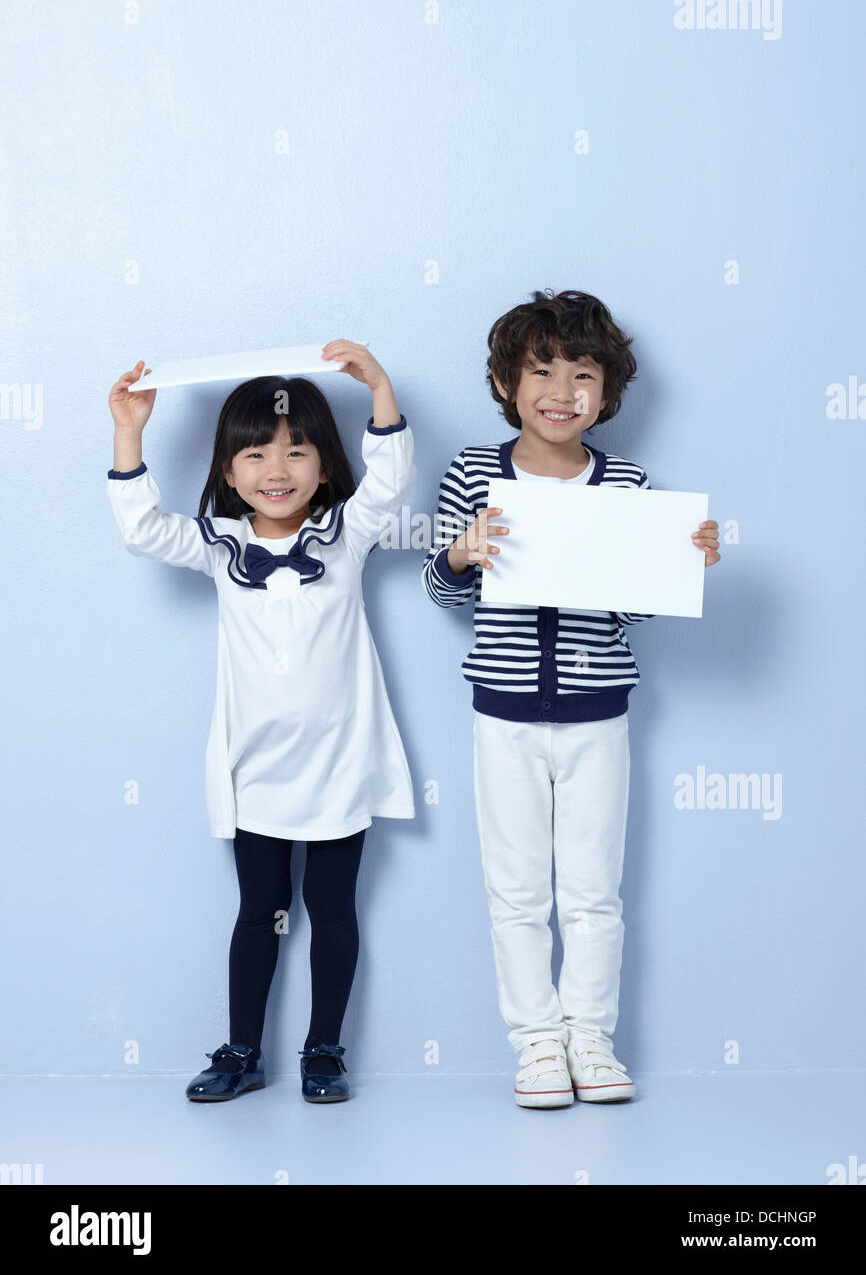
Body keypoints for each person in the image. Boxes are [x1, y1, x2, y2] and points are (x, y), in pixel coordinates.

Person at [422, 290, 720, 1109]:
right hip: (504, 715)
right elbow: (442, 596)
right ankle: (536, 1046)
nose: (562, 389)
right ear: (509, 384)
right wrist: (459, 554)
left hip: (598, 716)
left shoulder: (624, 481)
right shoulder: (473, 474)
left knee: (593, 890)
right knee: (516, 891)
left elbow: (633, 607)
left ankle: (590, 1036)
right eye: (541, 370)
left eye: (583, 373)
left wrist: (681, 564)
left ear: (607, 390)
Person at [106, 342, 417, 1104]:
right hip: (256, 771)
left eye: (296, 451)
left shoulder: (345, 535)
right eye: (256, 454)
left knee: (334, 910)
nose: (276, 470)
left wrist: (379, 387)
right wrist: (129, 432)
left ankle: (324, 1051)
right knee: (259, 912)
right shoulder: (220, 547)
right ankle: (243, 1050)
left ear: (323, 465)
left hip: (339, 763)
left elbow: (392, 484)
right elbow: (142, 530)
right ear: (225, 471)